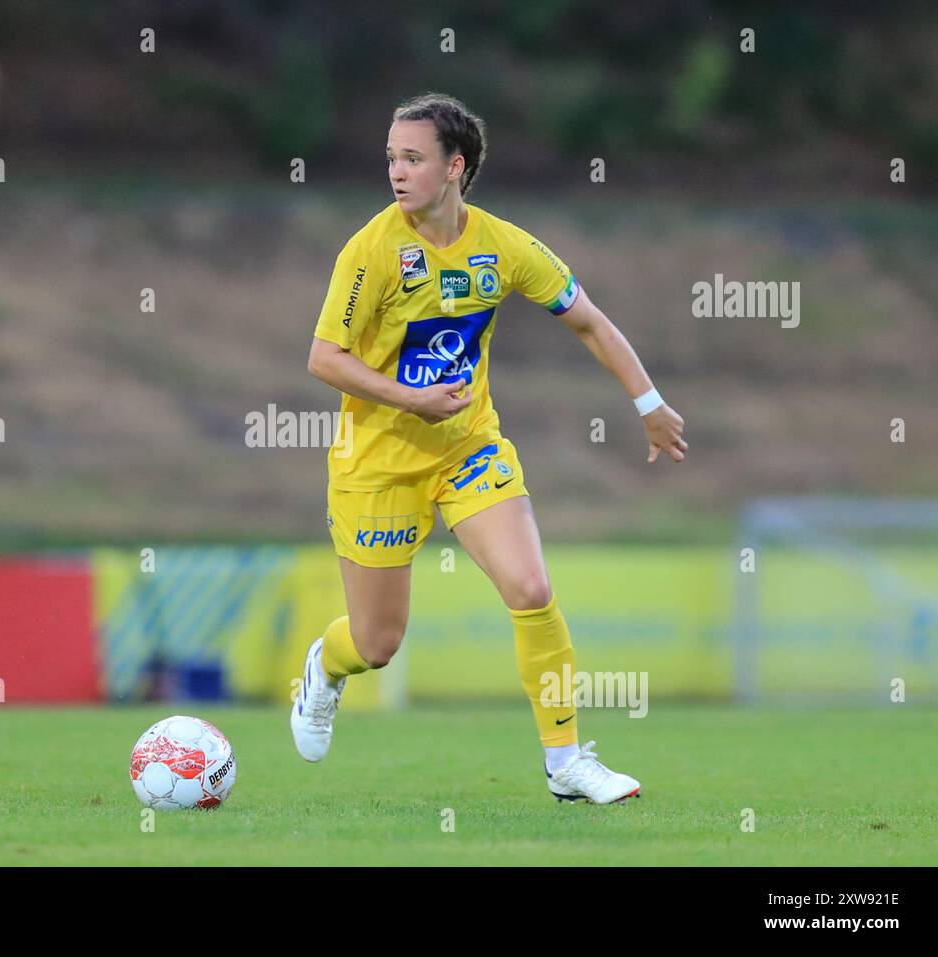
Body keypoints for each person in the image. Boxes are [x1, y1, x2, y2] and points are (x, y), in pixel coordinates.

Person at [292, 93, 687, 804]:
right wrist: (412, 399)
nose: (396, 171)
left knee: (532, 589)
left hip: (469, 448)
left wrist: (649, 404)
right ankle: (326, 665)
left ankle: (565, 762)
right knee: (377, 644)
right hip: (376, 462)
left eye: (412, 158)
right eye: (390, 157)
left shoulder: (504, 246)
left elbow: (590, 322)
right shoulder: (372, 250)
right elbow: (323, 357)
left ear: (455, 167)